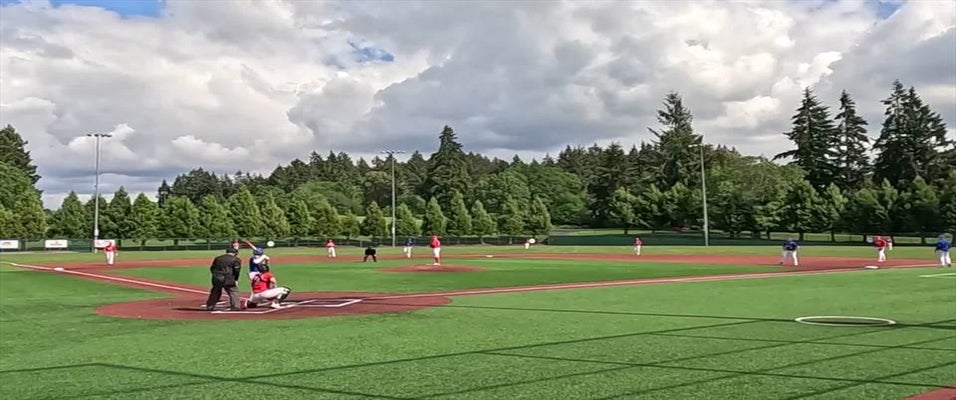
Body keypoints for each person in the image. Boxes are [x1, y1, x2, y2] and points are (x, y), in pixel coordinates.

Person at [204, 247, 243, 311]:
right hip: (228, 277)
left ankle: (210, 306)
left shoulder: (218, 258)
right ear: (235, 253)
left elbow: (212, 268)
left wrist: (215, 275)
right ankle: (236, 306)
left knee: (215, 291)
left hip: (216, 277)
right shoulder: (236, 259)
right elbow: (236, 271)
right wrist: (235, 279)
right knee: (233, 291)